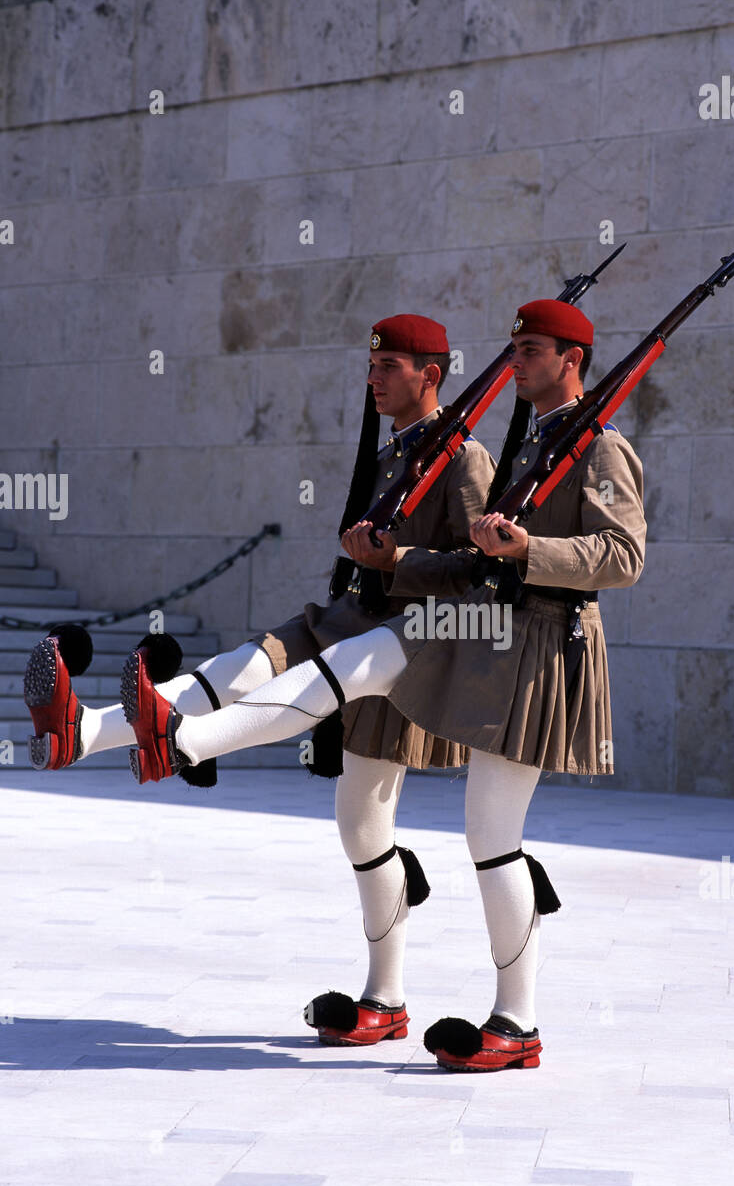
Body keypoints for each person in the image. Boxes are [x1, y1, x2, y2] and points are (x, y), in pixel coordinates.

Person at [119, 299, 647, 1072]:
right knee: (396, 781)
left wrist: (527, 546)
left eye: (531, 350)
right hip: (492, 632)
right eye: (515, 348)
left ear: (571, 358)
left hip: (543, 645)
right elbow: (473, 560)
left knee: (492, 837)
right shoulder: (528, 447)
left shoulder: (600, 448)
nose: (517, 362)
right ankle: (394, 996)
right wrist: (397, 562)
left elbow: (622, 555)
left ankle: (517, 1020)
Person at [23, 313, 495, 1046]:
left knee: (362, 826)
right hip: (351, 617)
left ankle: (385, 996)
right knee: (248, 667)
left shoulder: (464, 460)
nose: (373, 377)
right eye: (372, 365)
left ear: (432, 376)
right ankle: (82, 733)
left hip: (405, 649)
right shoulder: (394, 451)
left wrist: (395, 562)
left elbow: (479, 571)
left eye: (390, 367)